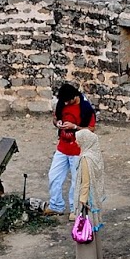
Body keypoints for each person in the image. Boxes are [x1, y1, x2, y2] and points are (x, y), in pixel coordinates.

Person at [47, 82, 96, 215]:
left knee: (77, 182)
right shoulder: (62, 103)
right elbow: (55, 118)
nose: (66, 104)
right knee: (54, 176)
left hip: (78, 150)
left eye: (68, 101)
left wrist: (74, 127)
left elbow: (91, 129)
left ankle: (75, 209)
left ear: (74, 97)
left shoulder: (85, 108)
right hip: (62, 147)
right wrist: (57, 123)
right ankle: (56, 205)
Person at [72, 127, 106, 231]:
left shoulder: (85, 159)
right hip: (94, 197)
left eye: (78, 139)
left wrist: (82, 200)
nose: (76, 142)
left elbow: (86, 182)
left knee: (86, 227)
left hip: (87, 199)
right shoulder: (95, 156)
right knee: (93, 226)